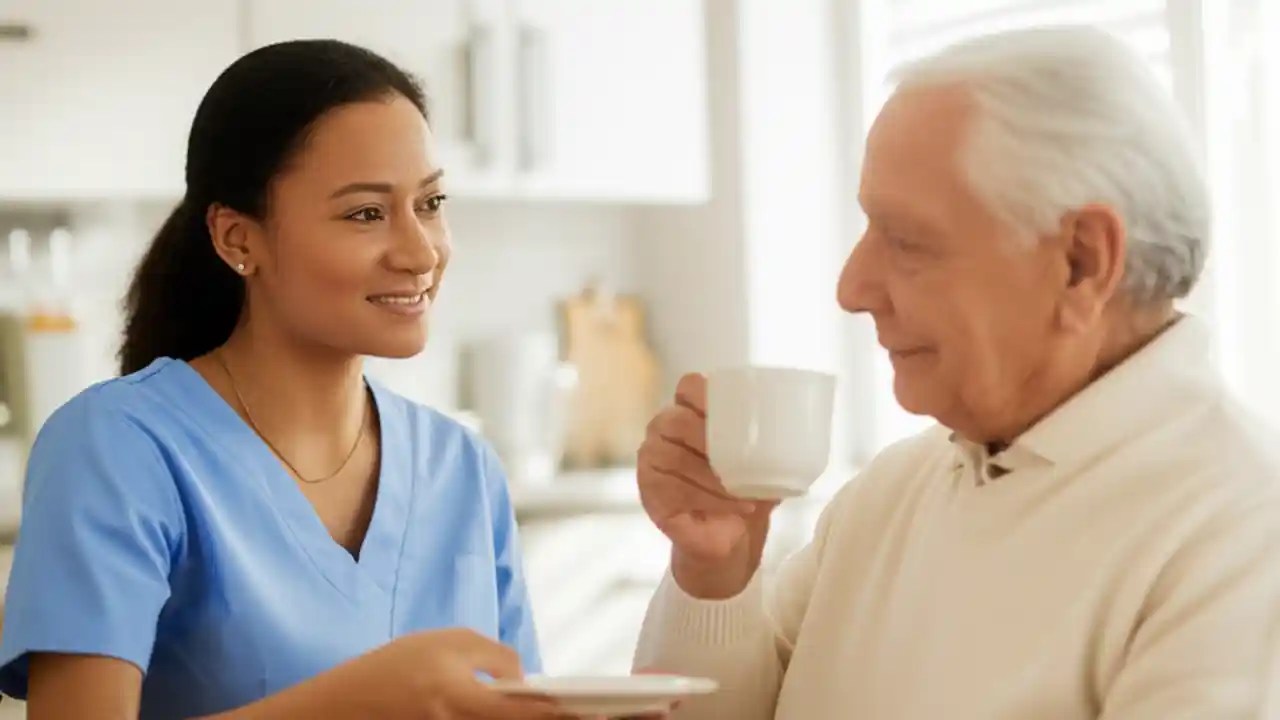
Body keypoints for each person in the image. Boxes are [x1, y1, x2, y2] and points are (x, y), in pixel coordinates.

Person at [632, 25, 1280, 719]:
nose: (852, 289)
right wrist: (714, 576)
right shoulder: (888, 495)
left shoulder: (1241, 532)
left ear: (1081, 262)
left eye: (907, 241)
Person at [0, 39, 570, 720]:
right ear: (238, 239)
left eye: (431, 201)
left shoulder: (464, 469)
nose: (421, 252)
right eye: (366, 213)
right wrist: (361, 699)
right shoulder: (114, 448)